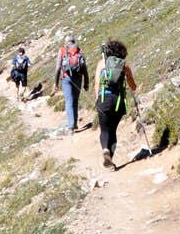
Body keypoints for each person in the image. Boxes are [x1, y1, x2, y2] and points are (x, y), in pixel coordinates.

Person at [95, 39, 138, 168]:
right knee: (113, 130)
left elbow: (96, 84)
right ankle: (110, 160)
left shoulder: (101, 64)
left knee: (104, 130)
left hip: (104, 100)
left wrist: (97, 100)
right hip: (118, 102)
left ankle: (105, 150)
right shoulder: (124, 65)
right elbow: (133, 86)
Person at [54, 34, 89, 133]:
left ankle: (71, 126)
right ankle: (75, 123)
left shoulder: (62, 50)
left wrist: (55, 83)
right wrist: (86, 83)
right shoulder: (79, 50)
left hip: (66, 78)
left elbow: (57, 68)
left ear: (66, 42)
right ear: (73, 41)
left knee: (68, 101)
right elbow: (84, 68)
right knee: (75, 101)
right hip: (78, 78)